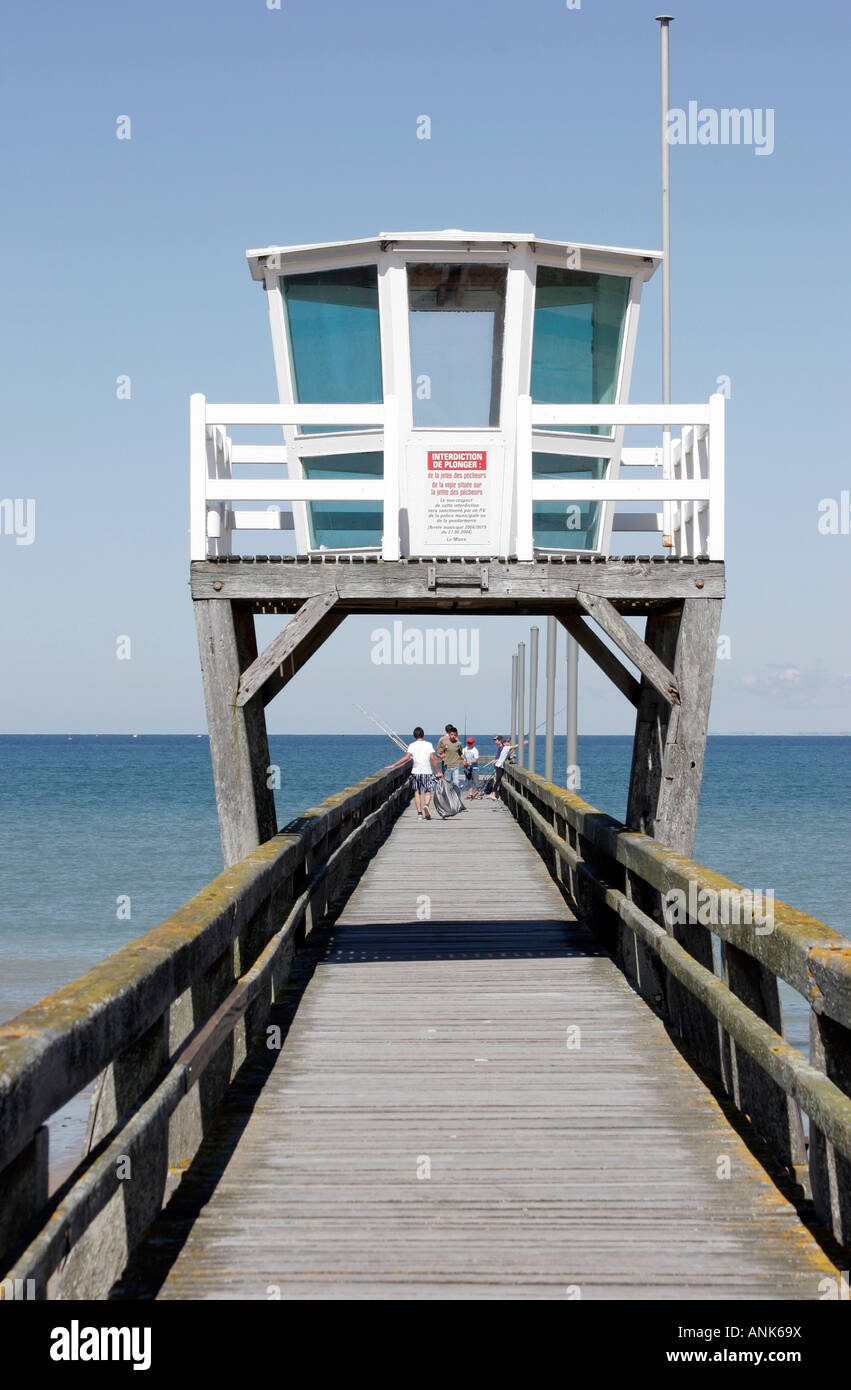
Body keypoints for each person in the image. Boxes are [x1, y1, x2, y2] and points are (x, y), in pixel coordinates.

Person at [387, 727, 443, 820]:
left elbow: (406, 757)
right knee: (428, 791)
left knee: (417, 792)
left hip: (415, 772)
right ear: (423, 735)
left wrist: (394, 765)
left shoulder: (412, 745)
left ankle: (420, 814)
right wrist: (438, 771)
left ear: (414, 736)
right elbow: (433, 758)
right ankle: (426, 806)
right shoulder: (428, 744)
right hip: (426, 772)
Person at [436, 724, 466, 792]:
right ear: (449, 733)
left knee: (456, 783)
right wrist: (441, 756)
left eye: (455, 735)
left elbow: (460, 752)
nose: (453, 736)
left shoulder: (458, 743)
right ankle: (447, 797)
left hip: (455, 766)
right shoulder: (443, 740)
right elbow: (438, 752)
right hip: (446, 765)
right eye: (451, 734)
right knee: (447, 782)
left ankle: (456, 799)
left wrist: (464, 759)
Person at [490, 736, 518, 801]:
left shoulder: (503, 747)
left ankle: (496, 795)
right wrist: (522, 743)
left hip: (499, 765)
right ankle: (493, 794)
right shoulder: (504, 747)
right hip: (499, 766)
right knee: (497, 780)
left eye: (496, 740)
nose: (495, 741)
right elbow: (501, 756)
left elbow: (504, 757)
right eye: (508, 741)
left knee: (498, 780)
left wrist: (511, 757)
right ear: (504, 742)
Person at [463, 735, 479, 799]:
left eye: (470, 743)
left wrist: (469, 762)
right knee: (468, 781)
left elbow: (476, 760)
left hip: (474, 768)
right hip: (467, 768)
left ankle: (479, 794)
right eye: (468, 743)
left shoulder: (475, 750)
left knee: (476, 781)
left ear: (473, 743)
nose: (469, 744)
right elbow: (463, 757)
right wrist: (464, 763)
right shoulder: (464, 749)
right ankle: (470, 794)